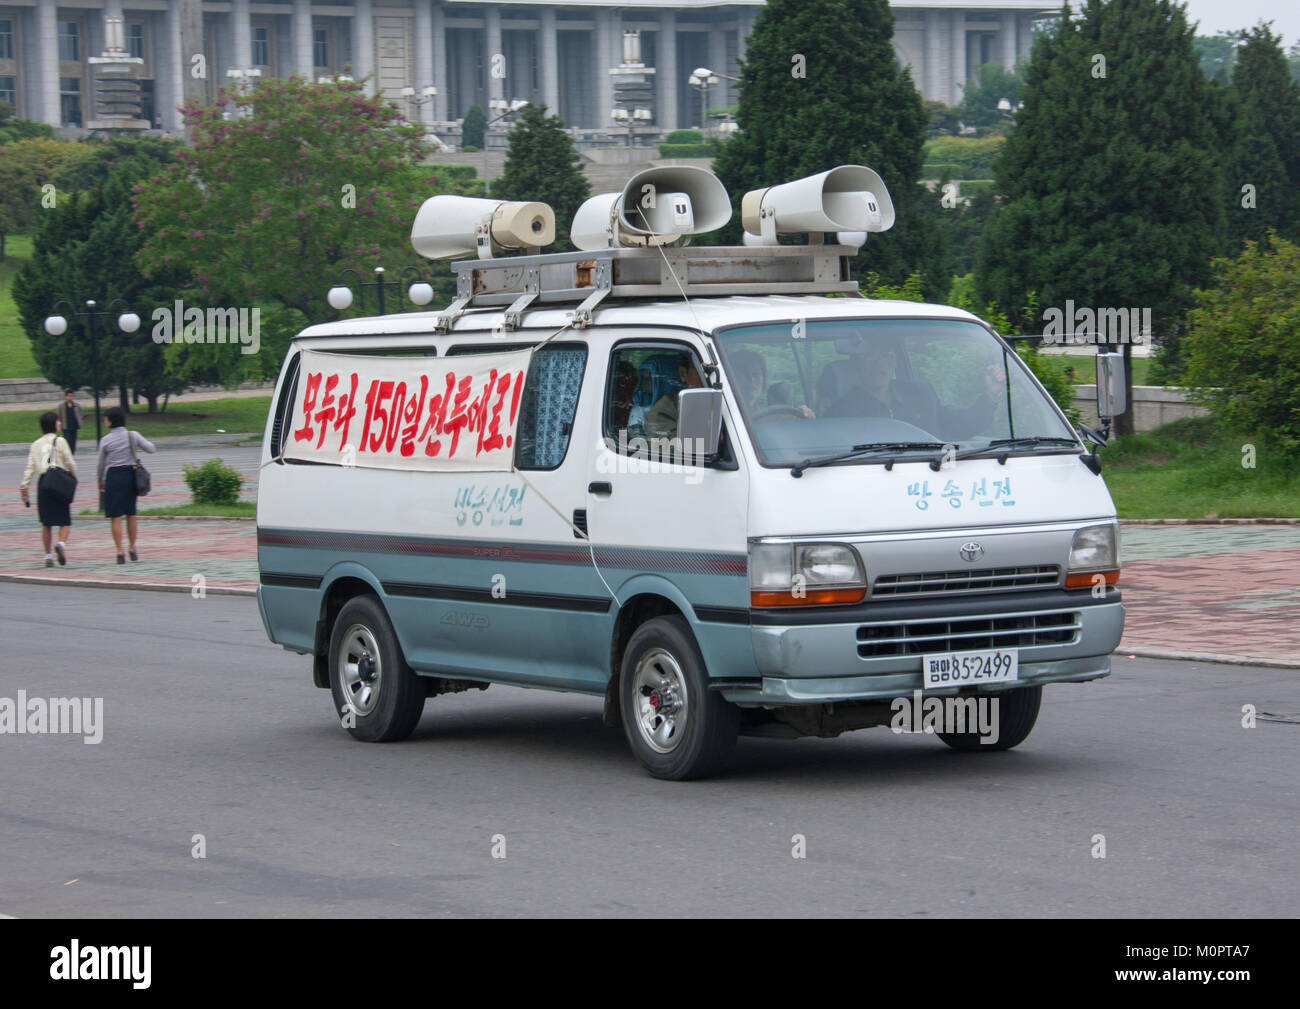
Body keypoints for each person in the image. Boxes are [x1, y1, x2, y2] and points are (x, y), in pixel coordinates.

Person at [826, 345, 1003, 439]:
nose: (880, 364)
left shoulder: (920, 394)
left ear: (894, 363)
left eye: (887, 356)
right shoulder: (842, 412)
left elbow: (957, 425)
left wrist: (990, 396)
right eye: (870, 357)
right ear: (857, 365)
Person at [97, 406, 156, 564]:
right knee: (131, 513)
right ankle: (132, 547)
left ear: (110, 422)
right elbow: (151, 449)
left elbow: (100, 465)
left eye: (106, 419)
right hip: (130, 476)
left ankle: (119, 551)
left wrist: (100, 482)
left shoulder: (105, 440)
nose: (105, 422)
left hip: (113, 477)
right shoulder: (133, 435)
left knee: (115, 516)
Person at [18, 412, 77, 568]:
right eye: (58, 421)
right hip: (59, 481)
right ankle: (61, 545)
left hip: (44, 483)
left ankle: (48, 556)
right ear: (53, 424)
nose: (59, 423)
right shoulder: (61, 441)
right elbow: (70, 462)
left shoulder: (36, 444)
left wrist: (24, 486)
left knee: (46, 523)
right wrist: (73, 477)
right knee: (65, 521)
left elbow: (30, 468)